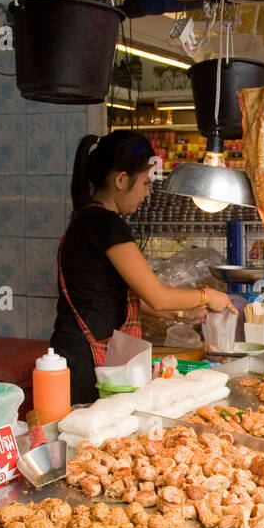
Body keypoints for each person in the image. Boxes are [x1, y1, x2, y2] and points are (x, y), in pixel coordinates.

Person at [51, 133, 236, 405]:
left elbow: (122, 295)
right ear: (121, 180)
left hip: (79, 355)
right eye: (146, 183)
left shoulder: (87, 219)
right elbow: (156, 296)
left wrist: (182, 313)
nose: (148, 192)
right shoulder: (105, 224)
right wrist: (207, 295)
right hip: (84, 361)